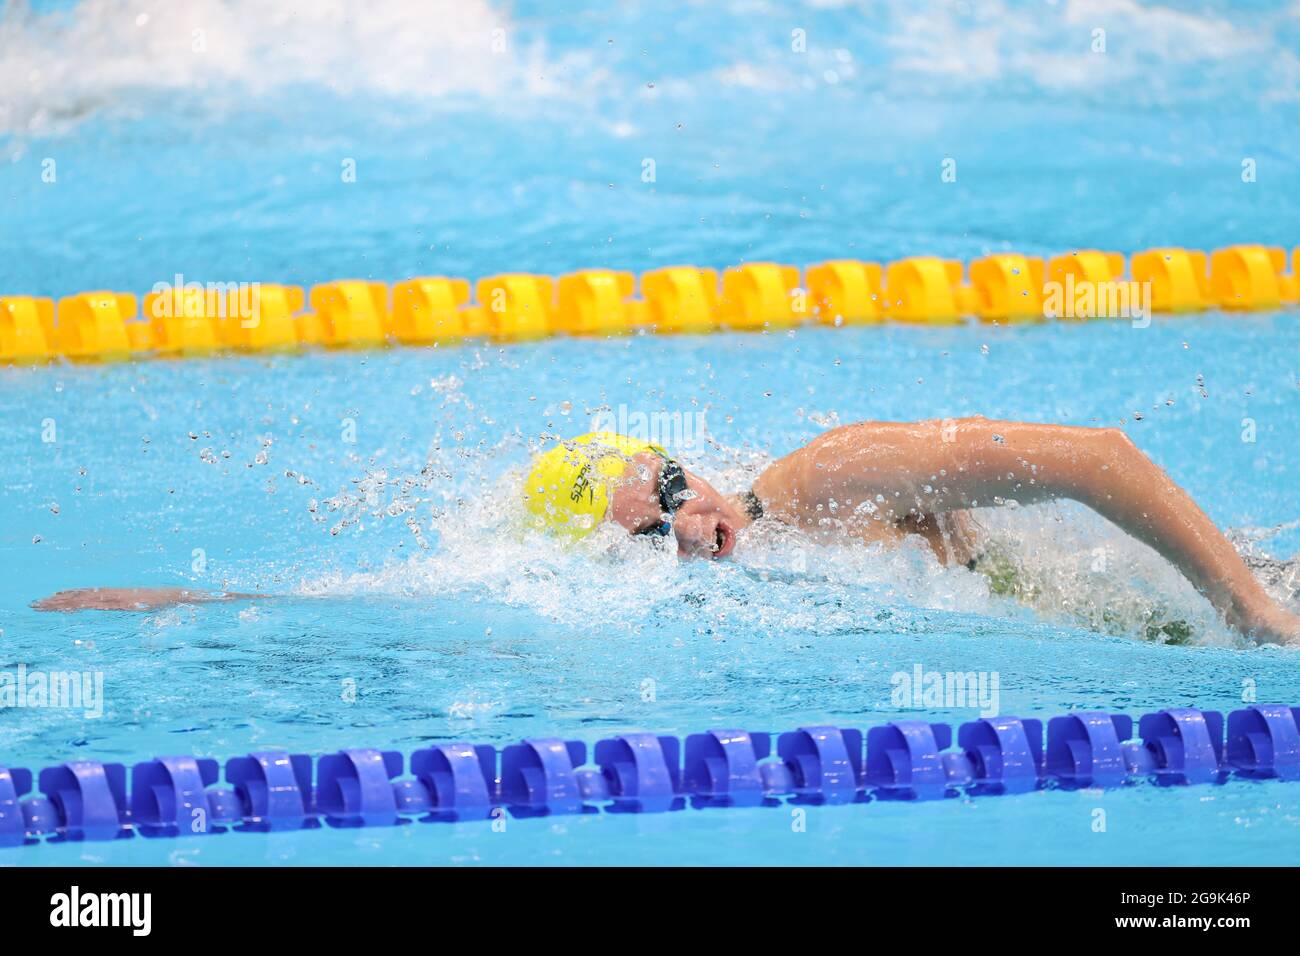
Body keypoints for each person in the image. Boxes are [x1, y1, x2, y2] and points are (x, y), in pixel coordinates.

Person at [34, 418, 1300, 645]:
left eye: (683, 486)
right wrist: (193, 604)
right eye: (656, 536)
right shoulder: (658, 599)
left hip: (1233, 592)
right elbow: (421, 595)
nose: (698, 526)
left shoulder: (819, 483)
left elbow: (1097, 459)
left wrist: (1250, 606)